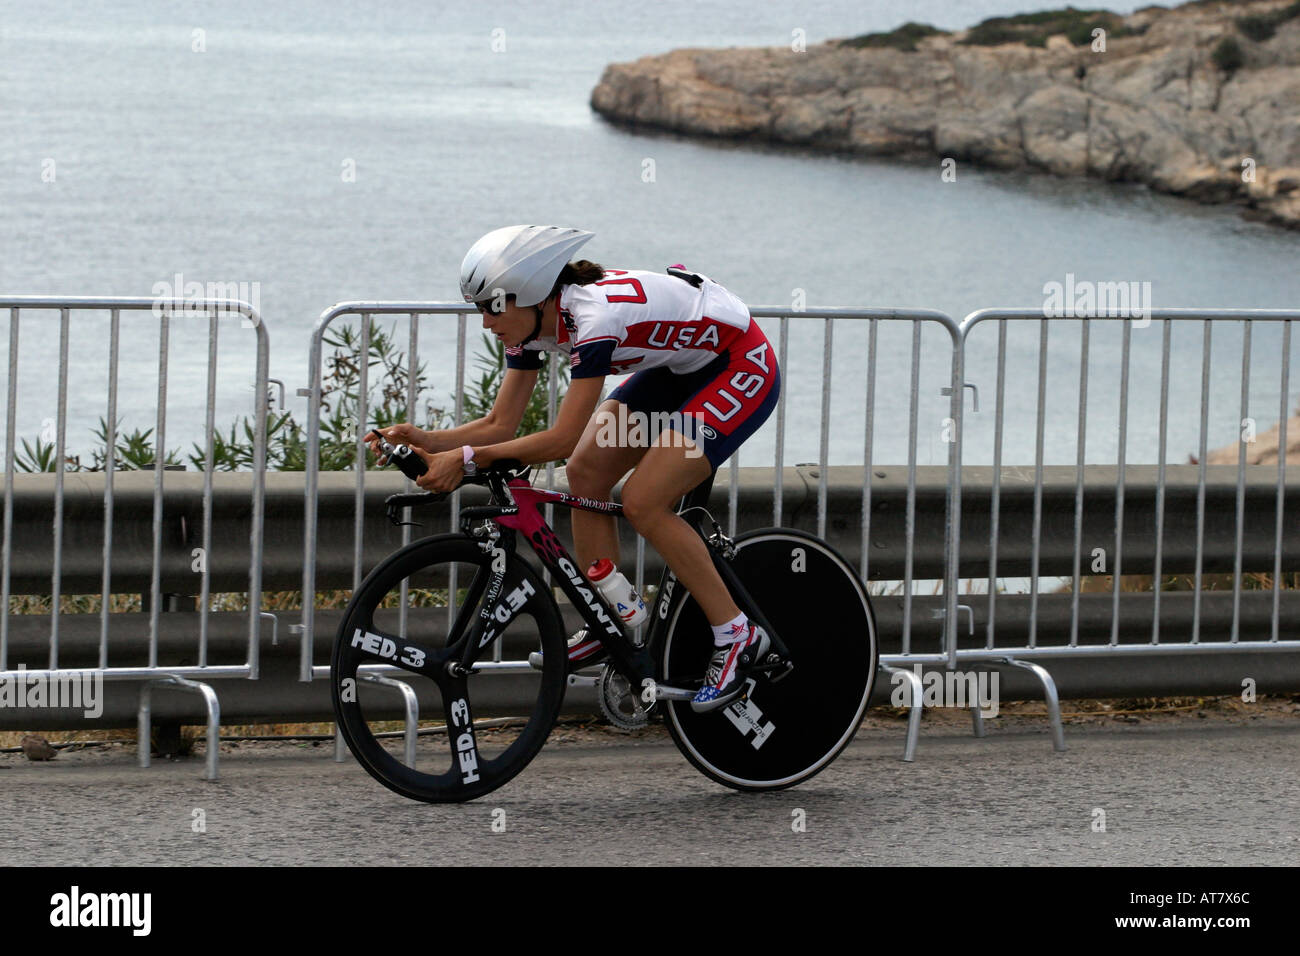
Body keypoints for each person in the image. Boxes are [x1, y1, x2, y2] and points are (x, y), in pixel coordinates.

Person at [367, 225, 780, 712]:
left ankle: (736, 634)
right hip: (678, 369)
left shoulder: (593, 319)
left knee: (644, 500)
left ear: (534, 293)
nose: (485, 322)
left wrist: (467, 459)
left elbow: (561, 436)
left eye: (492, 307)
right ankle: (614, 617)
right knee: (584, 473)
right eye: (479, 308)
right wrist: (429, 440)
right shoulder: (532, 323)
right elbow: (502, 422)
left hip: (740, 364)